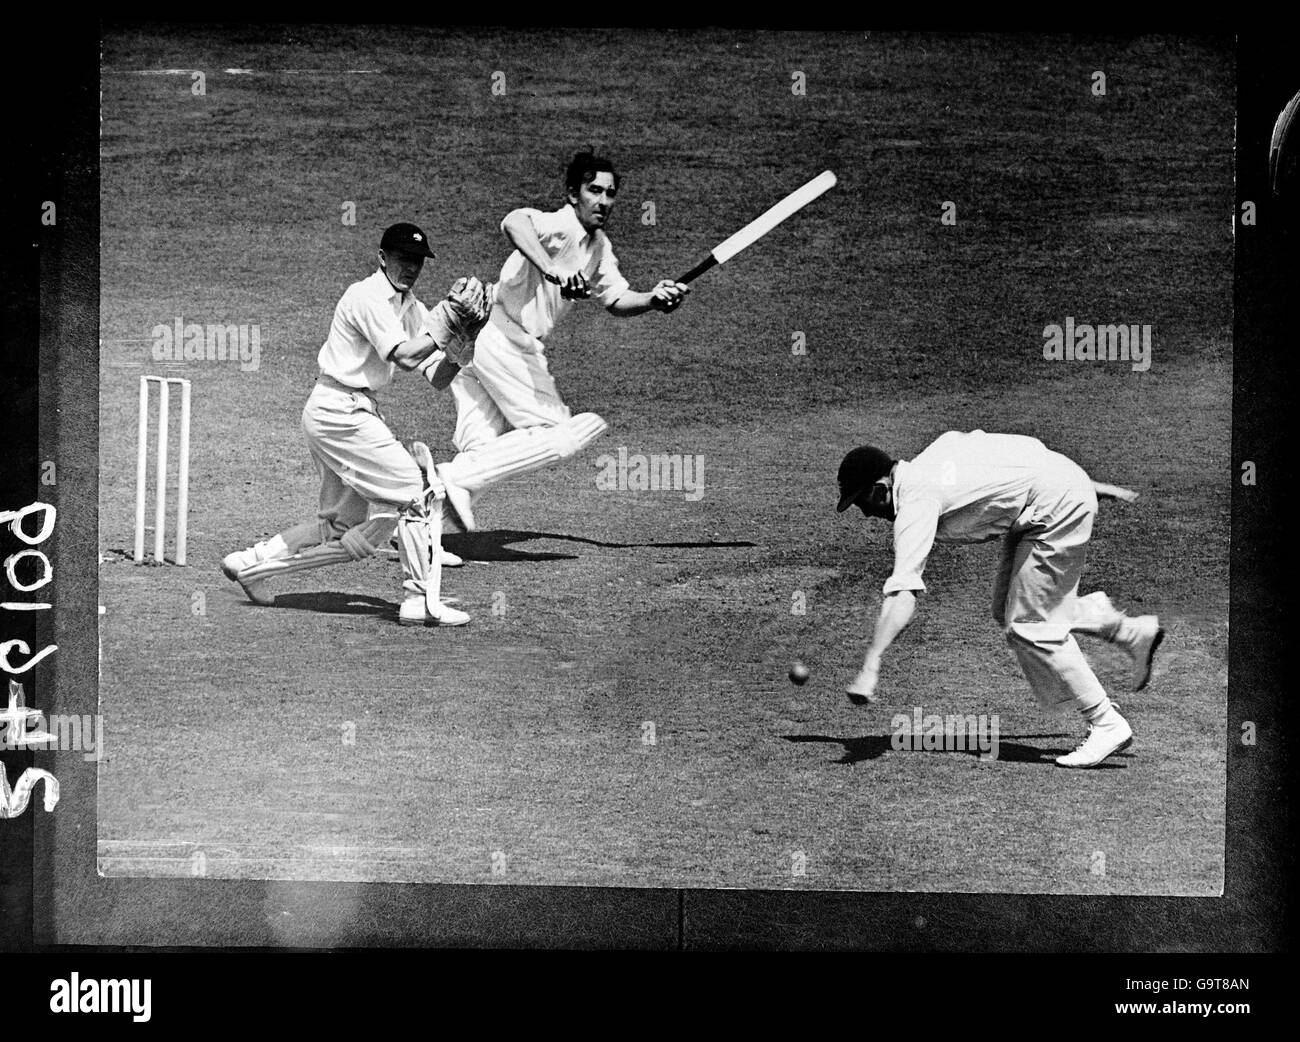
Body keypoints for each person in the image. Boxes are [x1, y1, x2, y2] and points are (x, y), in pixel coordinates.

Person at [835, 430, 1165, 768]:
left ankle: (1107, 723)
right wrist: (1075, 481)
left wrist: (871, 664)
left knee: (1029, 624)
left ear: (881, 489)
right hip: (1053, 493)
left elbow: (903, 593)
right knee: (1007, 608)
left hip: (1052, 507)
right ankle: (1126, 631)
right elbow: (1014, 454)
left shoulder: (916, 500)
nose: (865, 514)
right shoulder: (935, 454)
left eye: (862, 503)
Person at [221, 222, 493, 626]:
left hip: (344, 411)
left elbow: (436, 376)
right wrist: (443, 326)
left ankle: (253, 563)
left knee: (339, 525)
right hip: (338, 410)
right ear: (382, 258)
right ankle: (418, 600)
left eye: (417, 261)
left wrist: (460, 341)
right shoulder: (365, 296)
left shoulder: (413, 307)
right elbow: (403, 356)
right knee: (415, 490)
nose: (411, 268)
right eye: (403, 259)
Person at [416, 151, 691, 532]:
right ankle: (451, 479)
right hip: (500, 334)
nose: (603, 201)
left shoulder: (598, 247)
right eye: (594, 190)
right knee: (561, 435)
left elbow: (615, 298)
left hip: (480, 340)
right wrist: (552, 267)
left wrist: (652, 299)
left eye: (610, 194)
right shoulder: (558, 225)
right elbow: (513, 221)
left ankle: (419, 530)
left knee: (481, 449)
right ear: (573, 193)